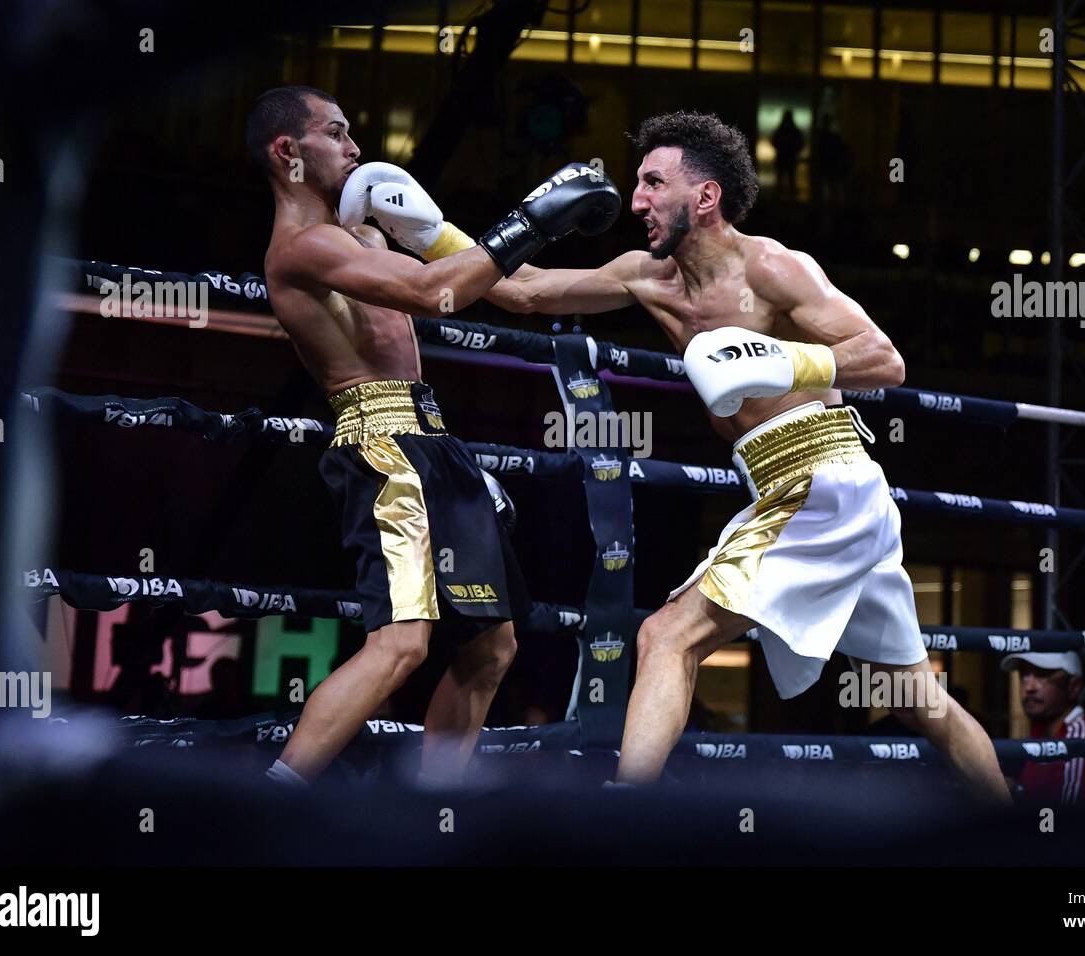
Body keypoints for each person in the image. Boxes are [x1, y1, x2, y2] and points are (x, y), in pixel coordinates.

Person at [367, 110, 1010, 805]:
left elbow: (885, 360)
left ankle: (625, 816)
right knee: (918, 698)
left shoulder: (772, 267)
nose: (636, 200)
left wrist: (774, 359)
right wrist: (432, 232)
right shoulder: (647, 275)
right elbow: (526, 292)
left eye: (653, 182)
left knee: (668, 636)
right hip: (789, 489)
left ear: (705, 197)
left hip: (825, 480)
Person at [246, 85, 619, 787]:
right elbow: (431, 294)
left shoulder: (371, 226)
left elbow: (509, 286)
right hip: (383, 442)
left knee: (491, 644)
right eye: (337, 132)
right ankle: (272, 800)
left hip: (434, 439)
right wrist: (530, 217)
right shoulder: (301, 249)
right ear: (287, 152)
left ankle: (434, 810)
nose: (356, 148)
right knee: (400, 646)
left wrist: (639, 280)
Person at [1002, 651, 1085, 805]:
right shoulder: (1038, 735)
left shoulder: (1083, 742)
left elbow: (1065, 823)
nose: (1029, 687)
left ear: (1074, 686)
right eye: (1024, 676)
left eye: (1042, 675)